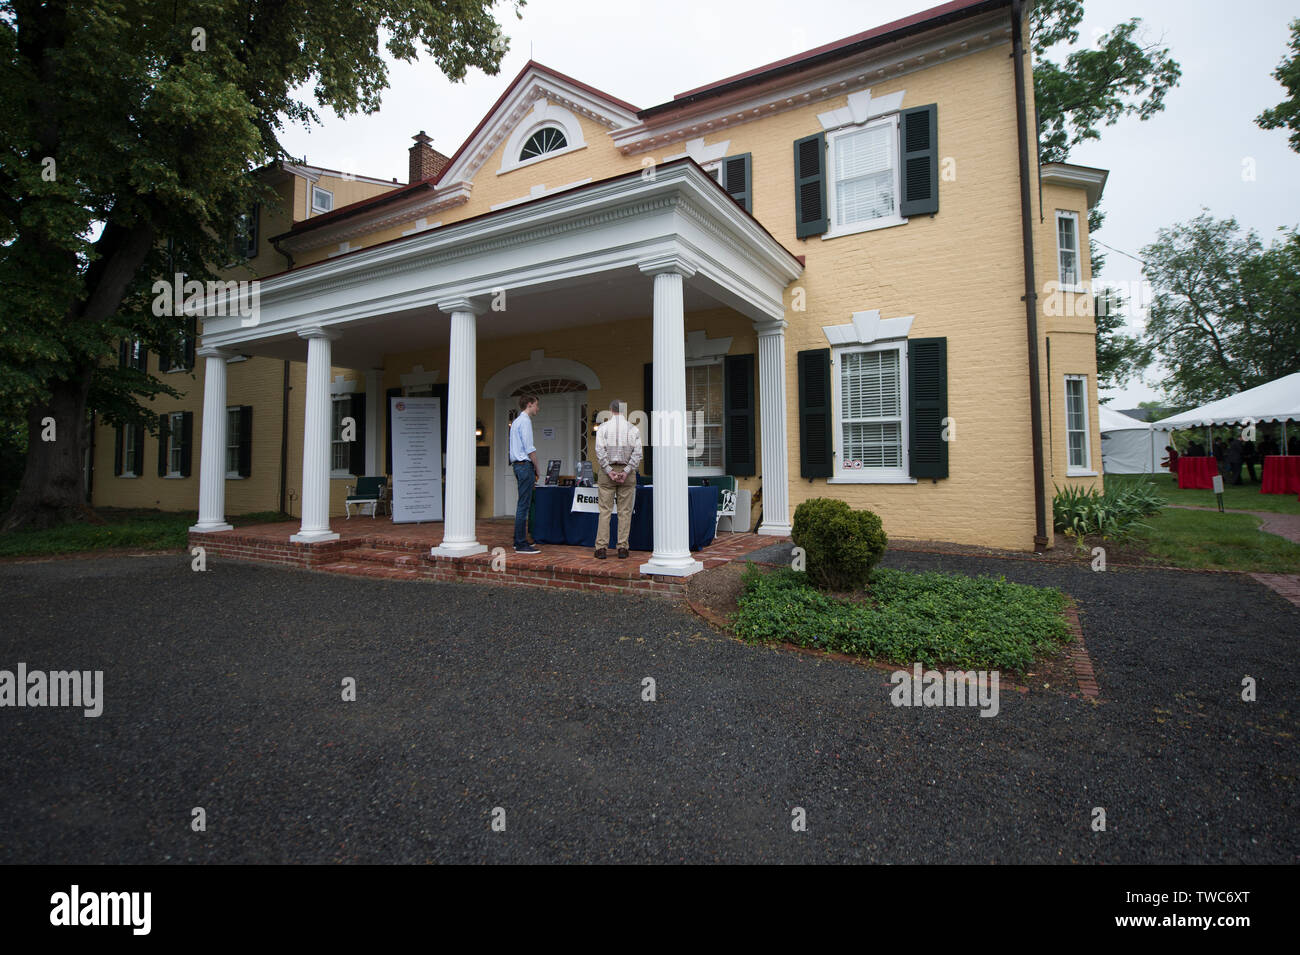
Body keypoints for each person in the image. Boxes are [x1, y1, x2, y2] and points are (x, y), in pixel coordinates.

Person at [593, 399, 642, 559]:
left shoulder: (603, 428)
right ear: (624, 410)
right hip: (627, 471)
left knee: (605, 511)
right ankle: (622, 547)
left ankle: (601, 548)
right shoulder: (633, 429)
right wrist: (626, 471)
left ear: (610, 410)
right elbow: (637, 453)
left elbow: (600, 451)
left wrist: (609, 470)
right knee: (625, 512)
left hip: (607, 472)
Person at [508, 395, 542, 554]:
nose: (537, 408)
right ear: (529, 404)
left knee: (522, 503)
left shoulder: (515, 422)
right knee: (524, 505)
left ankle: (517, 540)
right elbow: (530, 448)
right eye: (536, 405)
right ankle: (521, 543)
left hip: (516, 465)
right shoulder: (526, 421)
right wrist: (537, 468)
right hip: (524, 465)